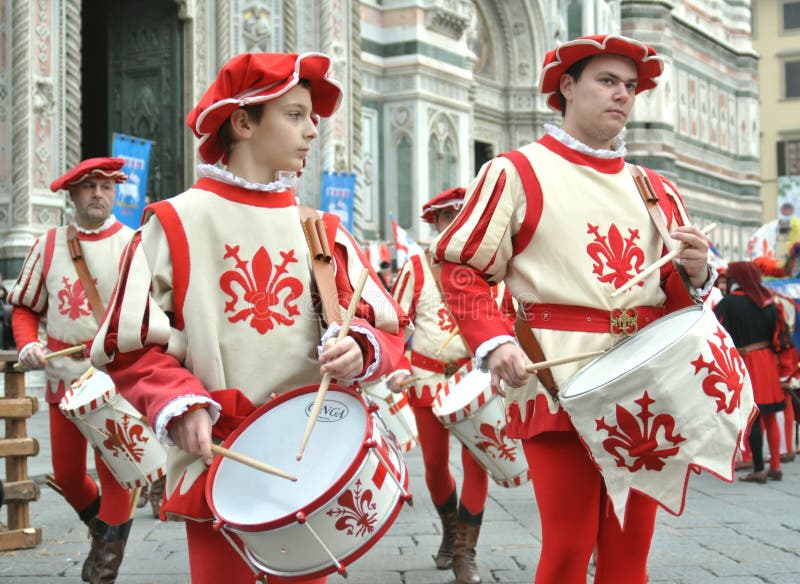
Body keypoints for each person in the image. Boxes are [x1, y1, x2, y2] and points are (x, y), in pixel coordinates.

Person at [90, 52, 408, 584]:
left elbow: (388, 327)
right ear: (242, 122)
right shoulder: (175, 223)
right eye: (296, 114)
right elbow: (129, 344)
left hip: (312, 463)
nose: (312, 130)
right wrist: (177, 401)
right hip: (220, 457)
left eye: (312, 117)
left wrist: (361, 347)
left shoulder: (322, 230)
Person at [431, 34, 715, 584]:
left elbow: (676, 298)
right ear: (566, 86)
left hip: (644, 388)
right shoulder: (514, 172)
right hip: (559, 380)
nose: (623, 96)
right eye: (607, 81)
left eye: (630, 87)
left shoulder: (655, 187)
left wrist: (699, 273)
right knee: (568, 548)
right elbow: (462, 268)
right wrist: (495, 340)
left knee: (630, 556)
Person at [8, 157, 136, 583]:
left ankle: (103, 570)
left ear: (116, 192)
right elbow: (25, 307)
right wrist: (28, 342)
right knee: (65, 474)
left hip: (115, 379)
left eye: (105, 187)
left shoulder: (134, 244)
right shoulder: (47, 244)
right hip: (62, 380)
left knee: (115, 473)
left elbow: (156, 311)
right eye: (89, 187)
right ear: (72, 194)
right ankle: (106, 532)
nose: (98, 194)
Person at [388, 187, 510, 584]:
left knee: (478, 463)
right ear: (436, 223)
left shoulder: (492, 270)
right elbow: (396, 323)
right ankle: (450, 531)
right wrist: (397, 363)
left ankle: (464, 555)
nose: (454, 222)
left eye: (463, 215)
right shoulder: (416, 266)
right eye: (447, 217)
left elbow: (506, 322)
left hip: (476, 380)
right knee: (436, 465)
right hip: (427, 378)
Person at [714, 262, 797, 483]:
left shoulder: (727, 304)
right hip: (769, 363)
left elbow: (715, 333)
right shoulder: (770, 304)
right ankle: (775, 466)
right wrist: (785, 373)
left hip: (744, 363)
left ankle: (759, 468)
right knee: (770, 415)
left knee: (752, 417)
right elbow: (784, 341)